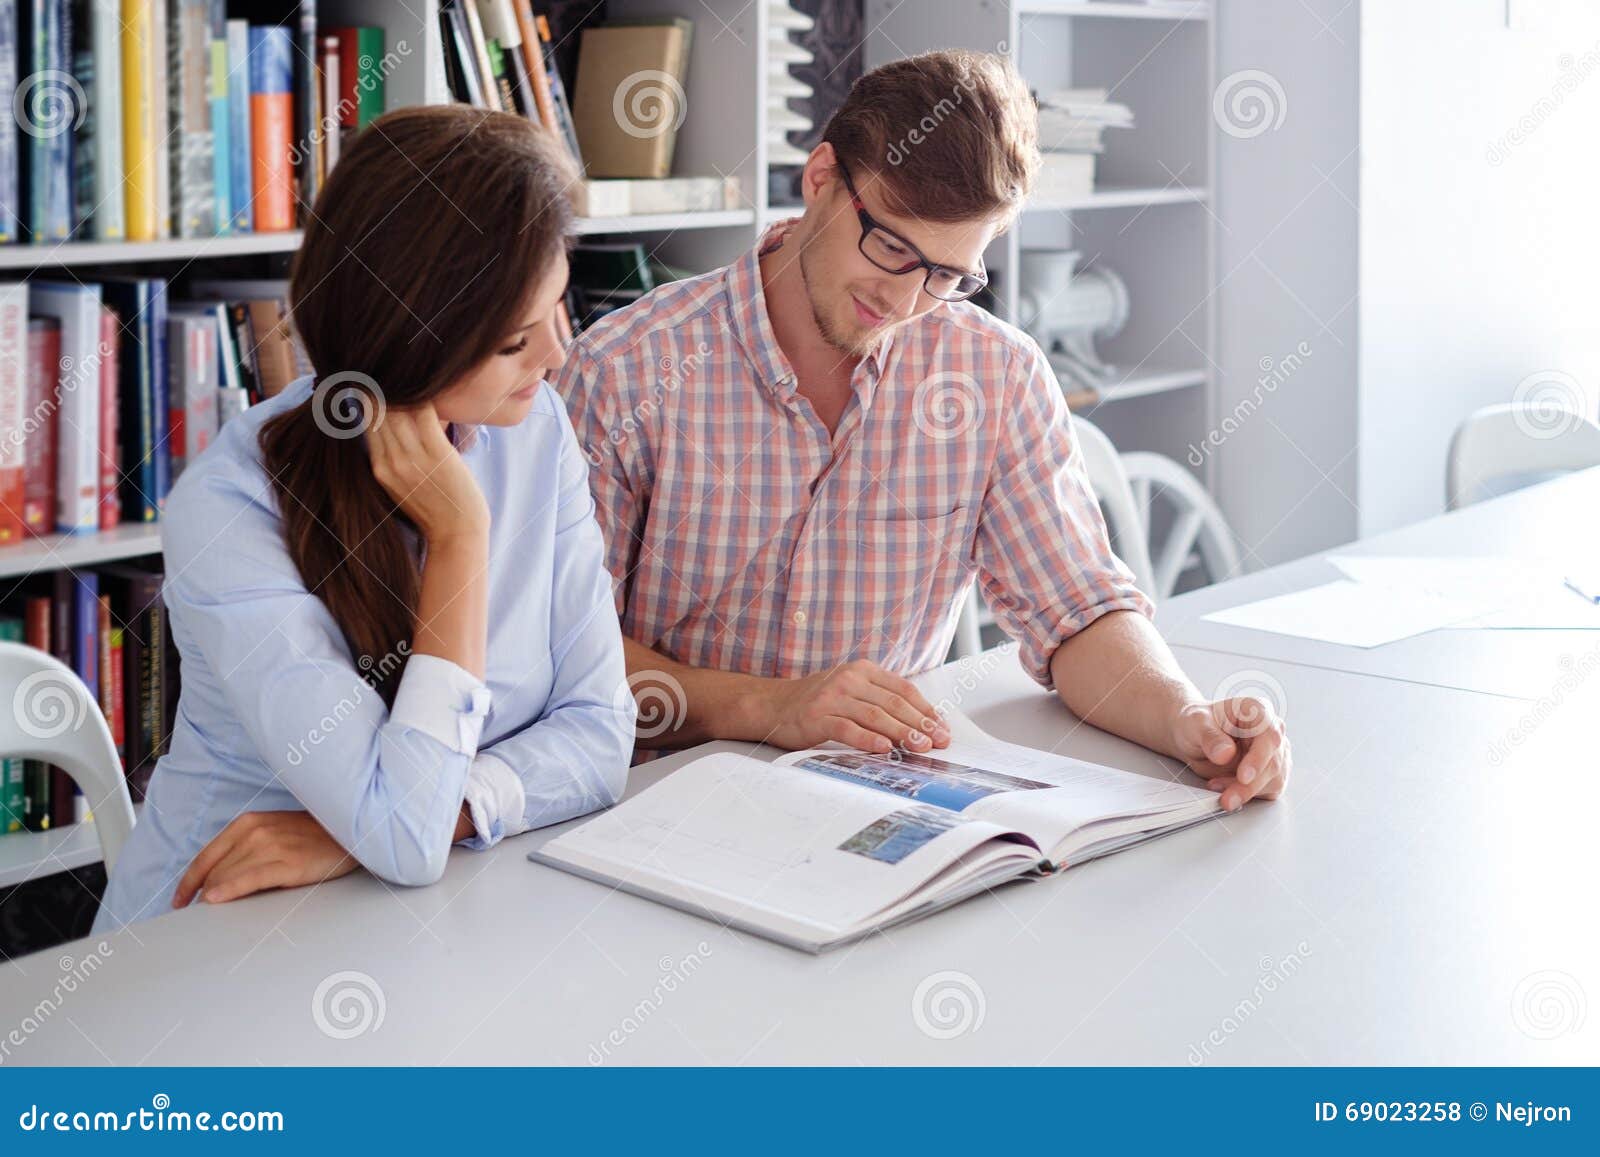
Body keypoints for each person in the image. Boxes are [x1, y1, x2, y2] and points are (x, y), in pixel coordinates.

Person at [559, 51, 1289, 808]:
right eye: (893, 247)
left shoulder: (993, 375)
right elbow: (565, 658)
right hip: (654, 805)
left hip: (869, 807)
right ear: (819, 180)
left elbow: (1078, 614)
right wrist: (766, 706)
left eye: (946, 275)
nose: (906, 301)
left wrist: (1188, 719)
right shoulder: (625, 371)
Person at [94, 106, 634, 931]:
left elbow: (600, 734)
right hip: (212, 938)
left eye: (560, 311)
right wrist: (460, 538)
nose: (559, 358)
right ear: (414, 342)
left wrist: (372, 829)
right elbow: (403, 838)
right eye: (515, 341)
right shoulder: (228, 510)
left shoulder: (538, 431)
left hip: (422, 920)